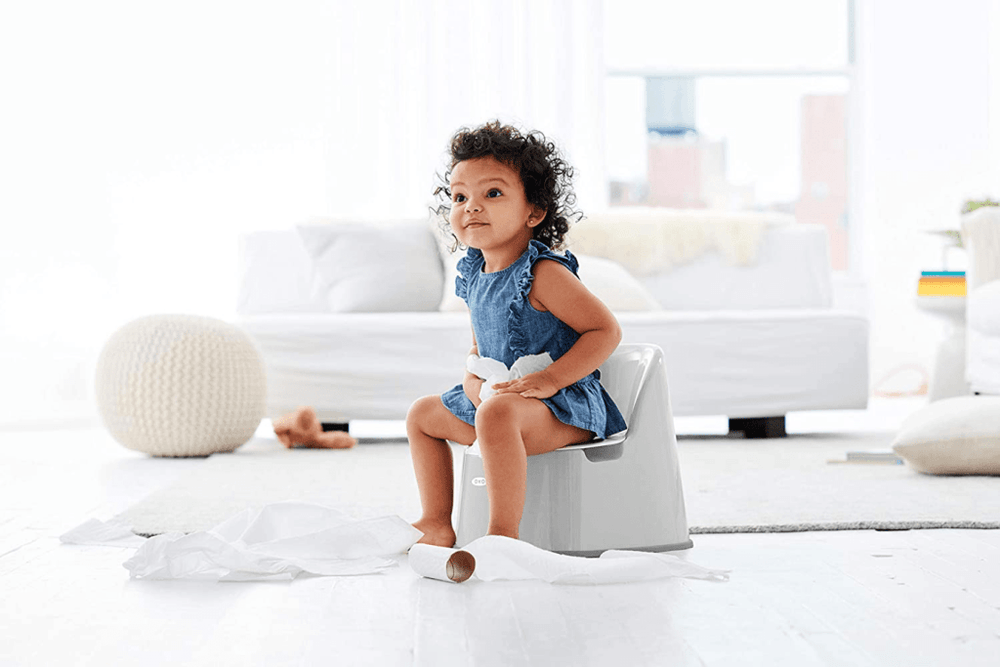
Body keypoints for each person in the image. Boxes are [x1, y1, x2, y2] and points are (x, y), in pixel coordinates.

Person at [407, 121, 627, 548]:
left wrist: (549, 381)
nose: (471, 206)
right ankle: (435, 521)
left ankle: (503, 536)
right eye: (459, 196)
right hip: (502, 401)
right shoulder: (474, 273)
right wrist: (473, 383)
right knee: (423, 415)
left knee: (496, 414)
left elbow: (605, 331)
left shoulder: (544, 274)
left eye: (492, 193)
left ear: (534, 212)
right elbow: (479, 350)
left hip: (564, 408)